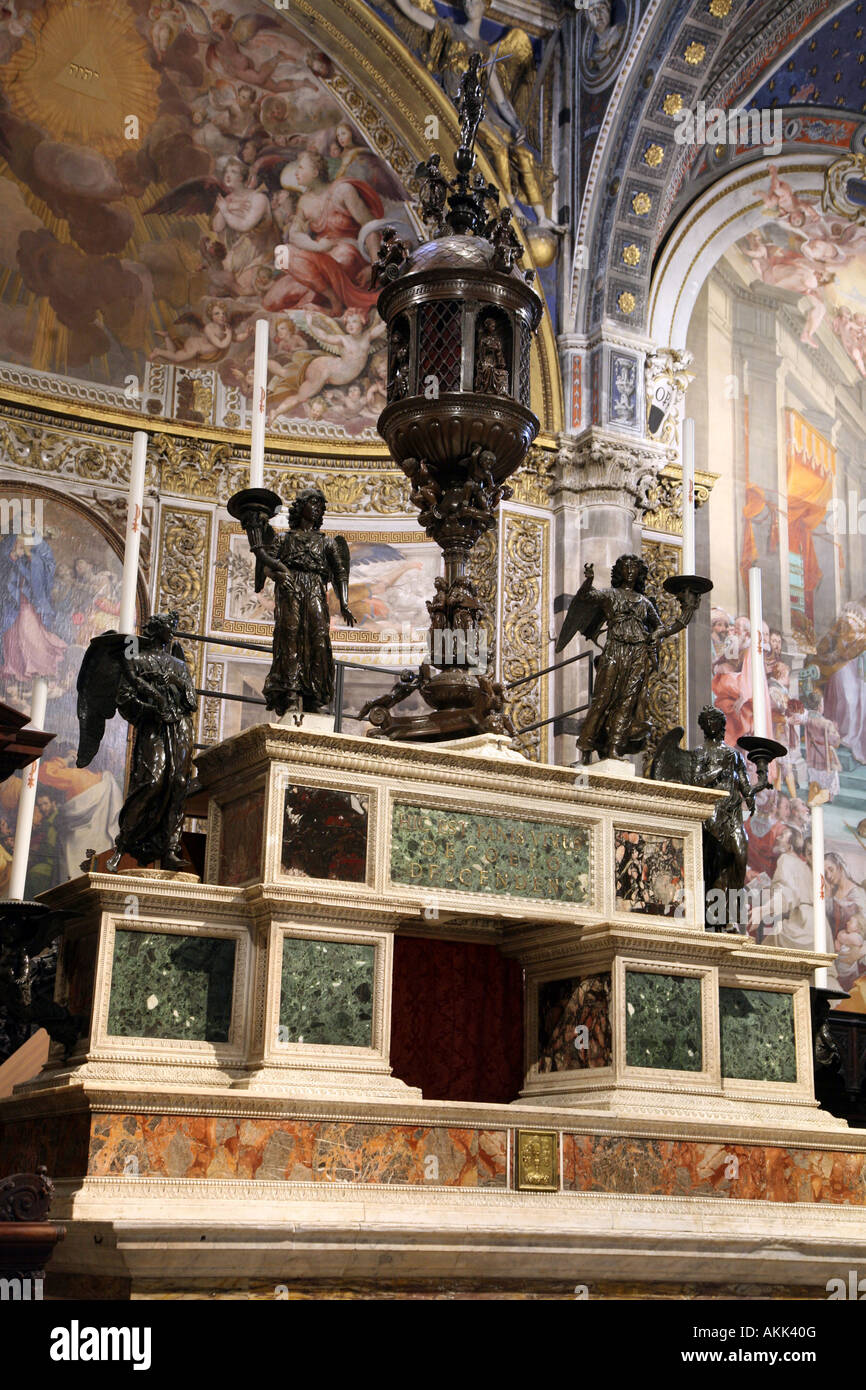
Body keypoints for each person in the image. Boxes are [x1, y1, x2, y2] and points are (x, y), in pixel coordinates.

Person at [251, 488, 356, 716]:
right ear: (300, 507)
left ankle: (314, 694)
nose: (317, 507)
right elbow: (267, 565)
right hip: (291, 588)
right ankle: (290, 693)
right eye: (313, 502)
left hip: (315, 589)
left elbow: (340, 574)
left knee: (318, 636)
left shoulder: (327, 543)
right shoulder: (282, 539)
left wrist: (345, 604)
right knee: (290, 636)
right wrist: (278, 575)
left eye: (320, 504)